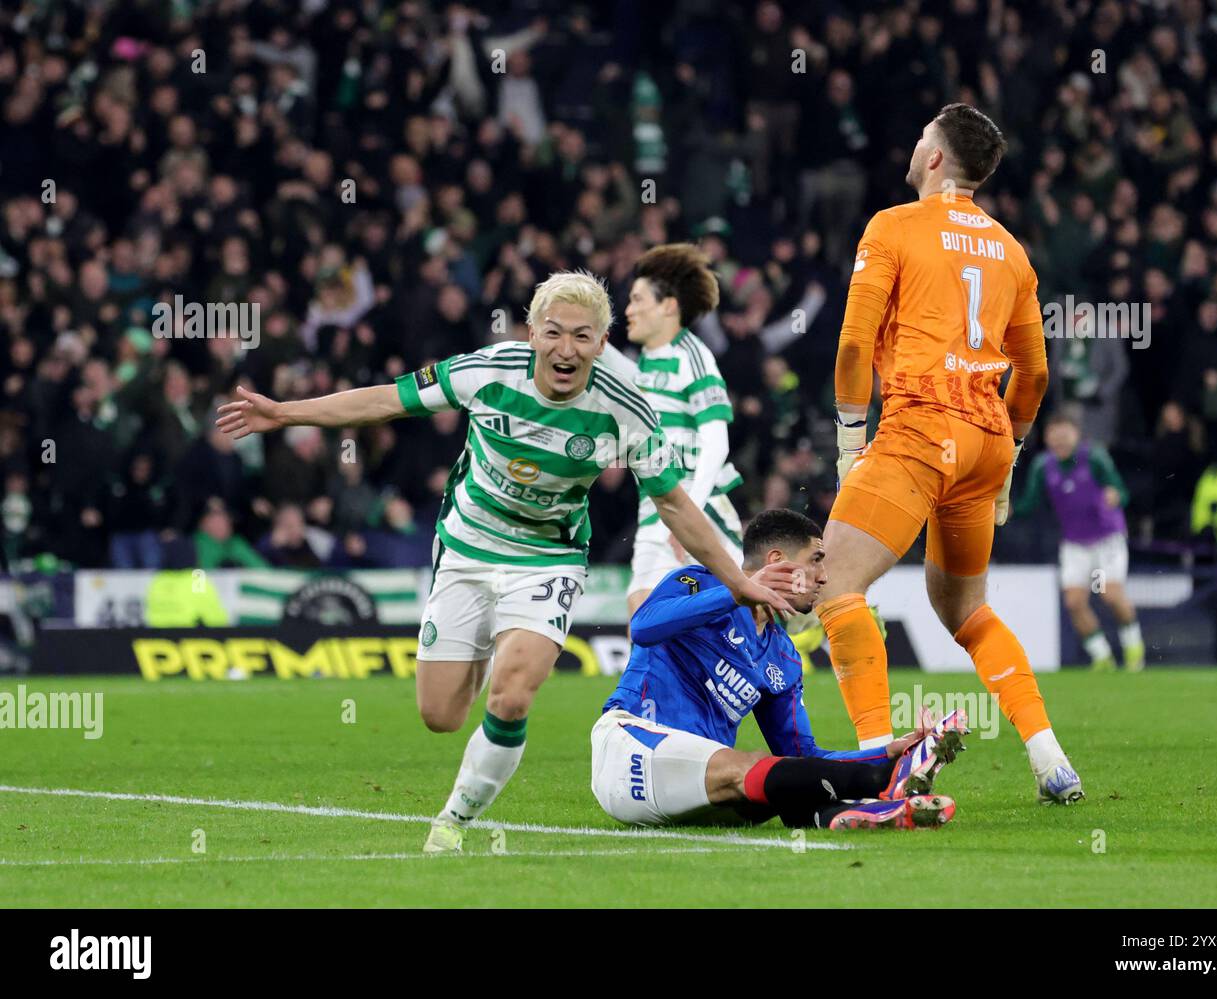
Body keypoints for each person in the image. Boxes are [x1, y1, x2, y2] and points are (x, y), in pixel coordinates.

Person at [216, 270, 792, 852]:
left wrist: (737, 580)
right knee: (440, 715)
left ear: (602, 342)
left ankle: (453, 821)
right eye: (554, 333)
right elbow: (386, 400)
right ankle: (488, 649)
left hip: (548, 558)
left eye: (584, 337)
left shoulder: (626, 410)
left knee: (513, 694)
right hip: (466, 548)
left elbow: (674, 504)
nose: (567, 349)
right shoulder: (486, 370)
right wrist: (286, 414)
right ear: (533, 333)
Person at [814, 103, 1084, 805]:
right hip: (988, 438)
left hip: (919, 426)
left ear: (935, 158)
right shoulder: (1012, 250)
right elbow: (1038, 376)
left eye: (919, 137)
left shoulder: (894, 225)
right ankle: (1051, 759)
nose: (912, 148)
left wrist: (849, 444)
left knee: (835, 586)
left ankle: (879, 763)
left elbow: (850, 344)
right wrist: (1012, 457)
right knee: (966, 612)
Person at [592, 509, 967, 831]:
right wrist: (737, 591)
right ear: (777, 561)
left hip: (698, 788)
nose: (823, 577)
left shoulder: (782, 657)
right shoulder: (699, 582)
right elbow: (643, 627)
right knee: (755, 764)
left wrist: (889, 750)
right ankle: (880, 783)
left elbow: (803, 755)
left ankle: (851, 812)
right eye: (816, 559)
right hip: (632, 753)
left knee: (786, 778)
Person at [599, 243, 745, 618]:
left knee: (730, 620)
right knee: (644, 621)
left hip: (699, 508)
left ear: (668, 306)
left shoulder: (692, 356)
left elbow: (717, 442)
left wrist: (689, 517)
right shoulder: (650, 360)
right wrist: (590, 340)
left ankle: (795, 630)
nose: (627, 311)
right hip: (657, 511)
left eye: (635, 300)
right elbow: (639, 383)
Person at [1014, 411, 1145, 671]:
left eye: (1065, 435)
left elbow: (1121, 491)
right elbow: (1029, 503)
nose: (1060, 441)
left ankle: (1134, 648)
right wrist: (1006, 511)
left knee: (1110, 594)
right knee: (1074, 602)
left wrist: (1114, 496)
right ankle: (1102, 657)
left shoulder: (1094, 458)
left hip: (1107, 538)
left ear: (1076, 435)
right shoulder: (1043, 466)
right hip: (1074, 543)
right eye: (1054, 436)